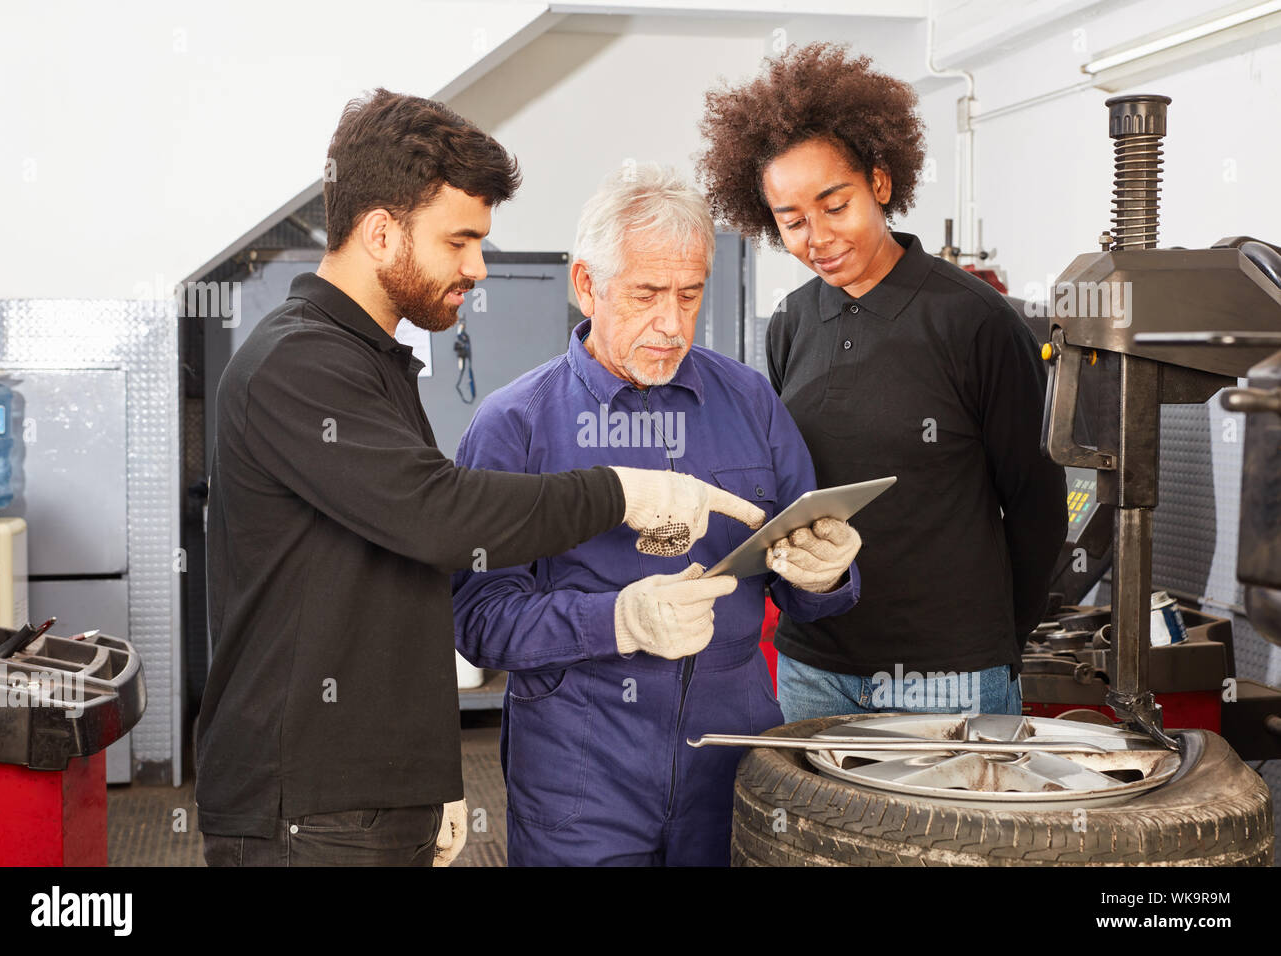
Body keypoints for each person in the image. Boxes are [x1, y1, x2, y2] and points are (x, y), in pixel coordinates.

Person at [195, 91, 764, 867]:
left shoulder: (374, 362)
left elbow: (403, 582)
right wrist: (628, 493)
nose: (477, 267)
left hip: (371, 792)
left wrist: (431, 781)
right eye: (459, 240)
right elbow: (441, 518)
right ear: (381, 231)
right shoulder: (300, 362)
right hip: (310, 802)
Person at [451, 164, 862, 867]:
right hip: (580, 765)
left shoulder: (751, 404)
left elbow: (806, 587)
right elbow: (480, 622)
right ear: (587, 284)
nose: (671, 324)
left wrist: (827, 575)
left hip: (731, 753)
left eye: (689, 294)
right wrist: (620, 619)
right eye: (645, 295)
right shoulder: (514, 425)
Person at [696, 43, 1067, 720]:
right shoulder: (790, 322)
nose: (817, 237)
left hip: (949, 675)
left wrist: (996, 648)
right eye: (792, 221)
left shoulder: (974, 321)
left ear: (881, 183)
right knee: (818, 831)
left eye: (834, 204)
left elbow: (1038, 509)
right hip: (813, 664)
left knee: (948, 833)